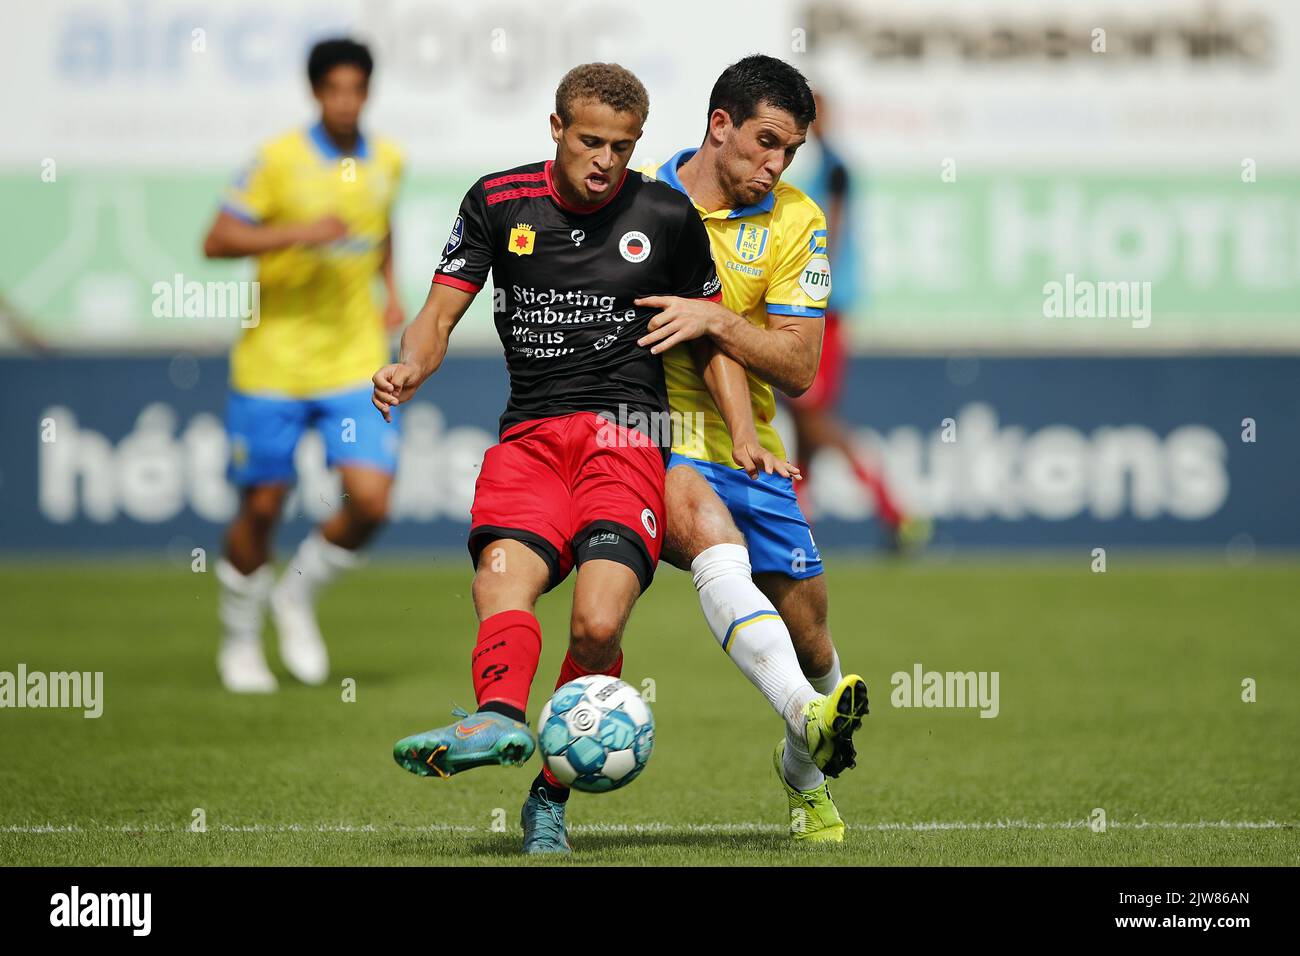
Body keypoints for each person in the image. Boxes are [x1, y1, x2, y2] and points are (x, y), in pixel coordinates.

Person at [372, 63, 773, 854]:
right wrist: (409, 365)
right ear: (555, 129)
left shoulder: (665, 214)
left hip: (626, 436)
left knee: (596, 624)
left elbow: (713, 332)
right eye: (591, 141)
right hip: (531, 436)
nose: (605, 161)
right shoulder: (497, 201)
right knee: (502, 581)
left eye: (622, 148)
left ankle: (547, 795)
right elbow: (437, 315)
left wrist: (744, 430)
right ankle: (495, 716)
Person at [634, 56, 869, 841]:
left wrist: (716, 320)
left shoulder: (798, 220)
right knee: (709, 535)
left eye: (791, 152)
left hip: (754, 448)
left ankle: (803, 771)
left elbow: (801, 367)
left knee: (814, 641)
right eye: (765, 142)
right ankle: (805, 715)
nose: (774, 165)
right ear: (719, 125)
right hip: (655, 438)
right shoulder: (636, 203)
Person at [202, 38, 405, 693]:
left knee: (371, 499)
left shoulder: (388, 160)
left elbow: (381, 228)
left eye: (356, 89)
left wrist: (391, 288)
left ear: (367, 92)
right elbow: (218, 239)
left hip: (353, 360)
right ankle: (239, 643)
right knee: (262, 507)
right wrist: (296, 233)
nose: (345, 101)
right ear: (316, 92)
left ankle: (295, 594)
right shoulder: (278, 162)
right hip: (274, 363)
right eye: (334, 89)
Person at [785, 92, 930, 552]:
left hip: (823, 310)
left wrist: (810, 291)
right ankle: (796, 529)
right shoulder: (818, 168)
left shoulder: (836, 169)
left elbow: (832, 234)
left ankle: (897, 511)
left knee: (810, 413)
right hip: (819, 307)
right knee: (804, 421)